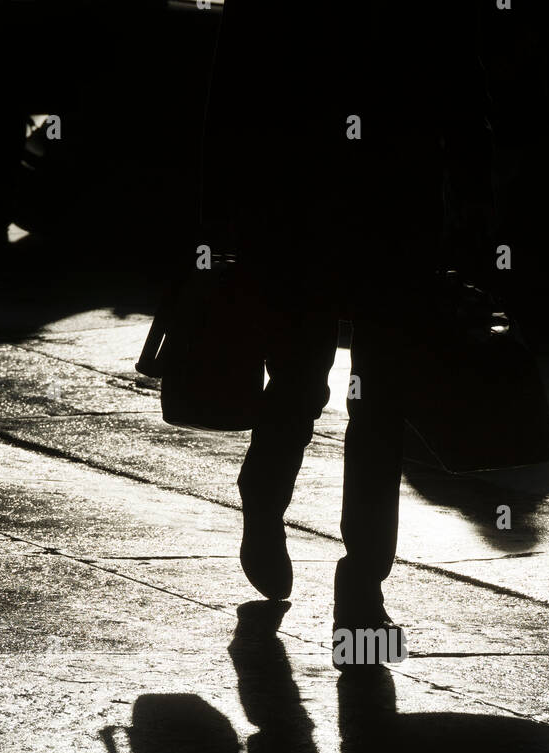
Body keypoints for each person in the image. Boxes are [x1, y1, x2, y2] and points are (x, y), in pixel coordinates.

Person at [202, 0, 495, 649]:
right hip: (384, 183)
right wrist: (472, 180)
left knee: (306, 376)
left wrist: (217, 196)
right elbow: (458, 63)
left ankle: (282, 502)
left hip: (300, 184)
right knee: (374, 395)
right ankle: (359, 576)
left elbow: (236, 64)